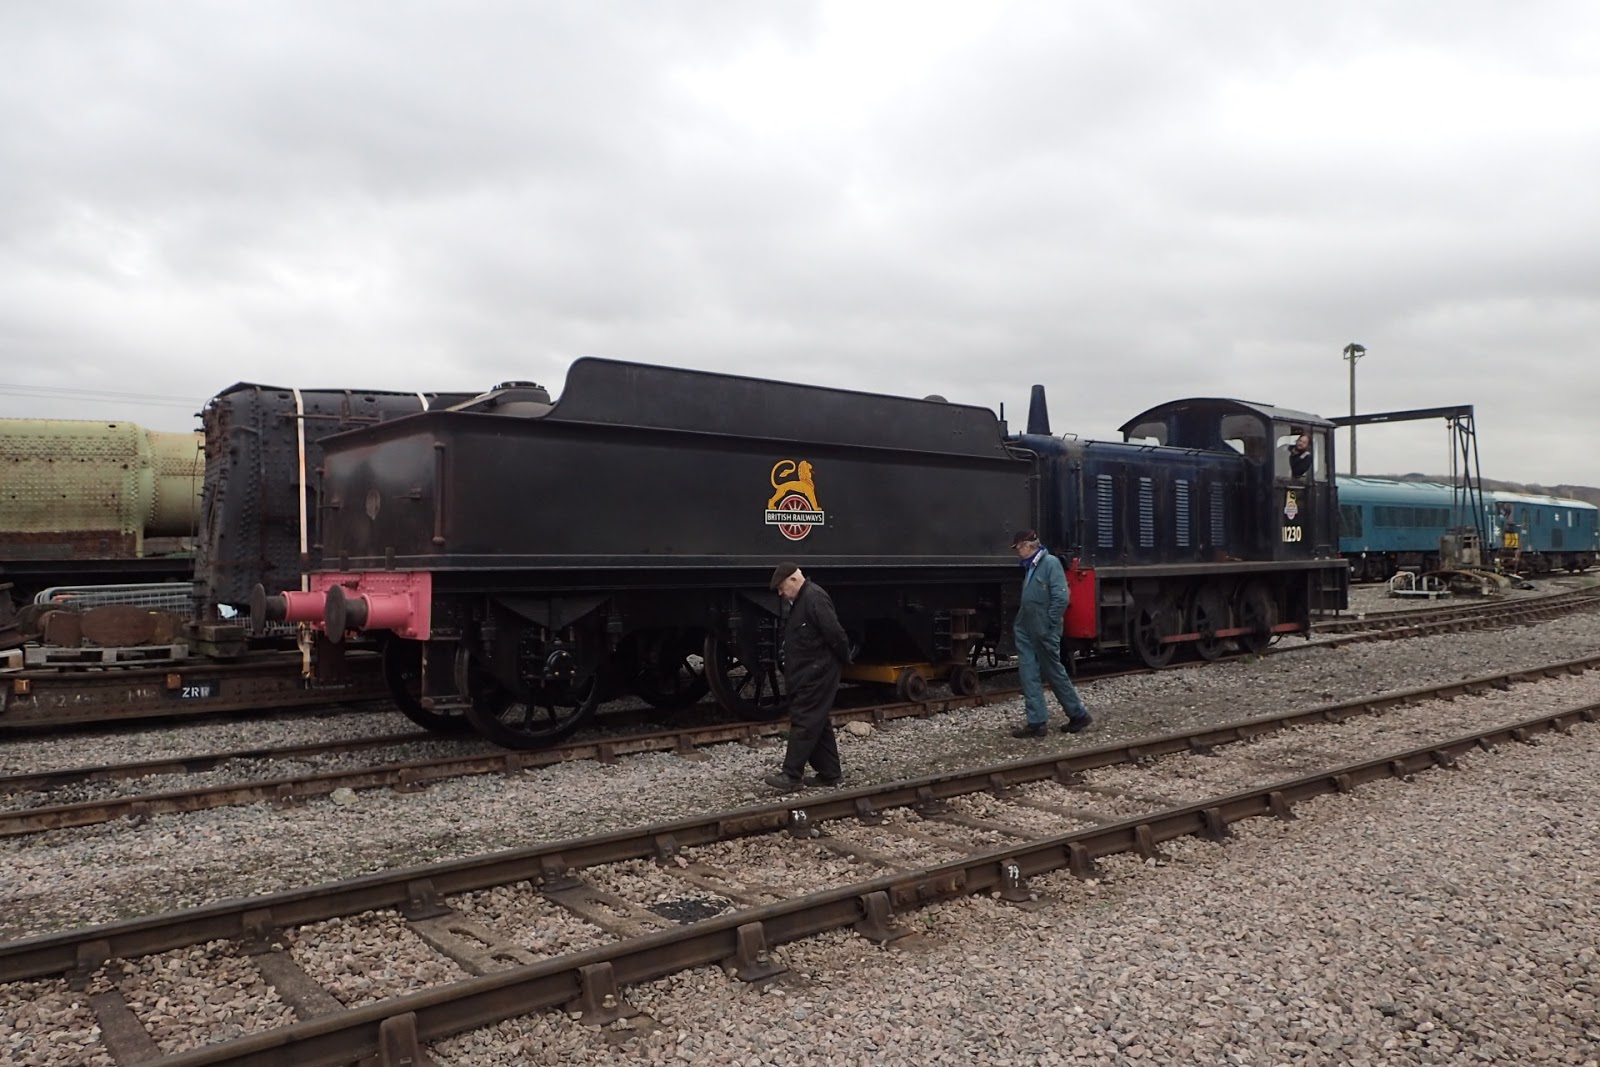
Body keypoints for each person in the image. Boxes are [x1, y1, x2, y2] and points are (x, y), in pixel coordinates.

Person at [764, 561, 850, 792]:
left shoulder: (814, 598)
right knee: (818, 721)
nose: (781, 594)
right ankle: (830, 774)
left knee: (804, 718)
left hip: (818, 670)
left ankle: (791, 775)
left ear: (793, 579)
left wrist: (842, 661)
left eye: (782, 588)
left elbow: (835, 633)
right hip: (809, 670)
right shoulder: (802, 600)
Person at [1008, 530, 1092, 739]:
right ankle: (1036, 722)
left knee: (1053, 671)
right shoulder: (1032, 566)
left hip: (1043, 627)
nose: (1017, 552)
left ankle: (1078, 714)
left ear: (1027, 545)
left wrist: (1049, 624)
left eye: (1018, 547)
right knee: (1028, 672)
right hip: (1027, 626)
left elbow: (1061, 597)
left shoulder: (1050, 563)